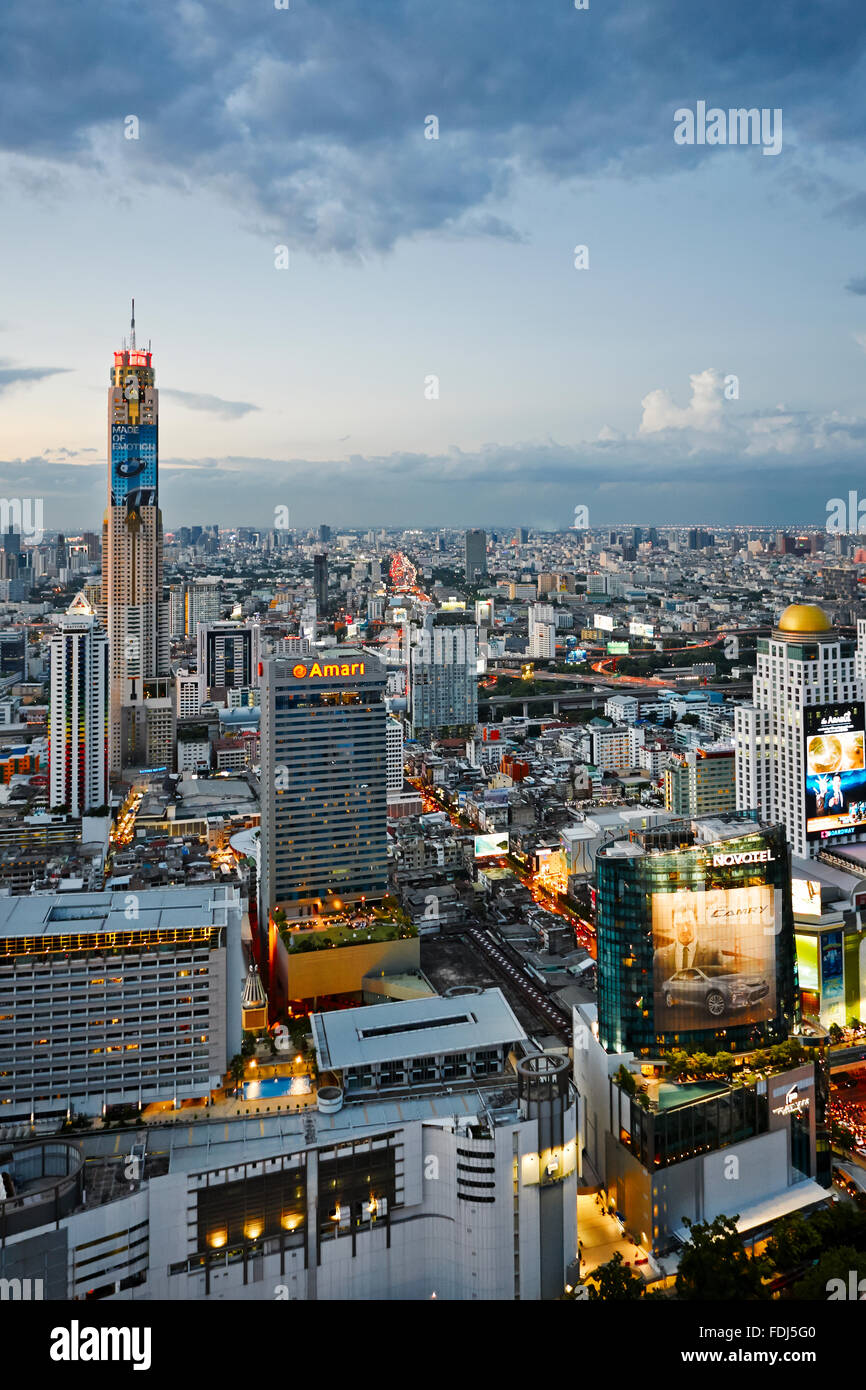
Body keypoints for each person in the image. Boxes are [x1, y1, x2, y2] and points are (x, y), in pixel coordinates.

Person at [654, 894, 723, 979]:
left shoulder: (713, 954)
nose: (684, 929)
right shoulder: (659, 956)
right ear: (673, 924)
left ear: (696, 922)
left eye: (688, 923)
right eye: (679, 924)